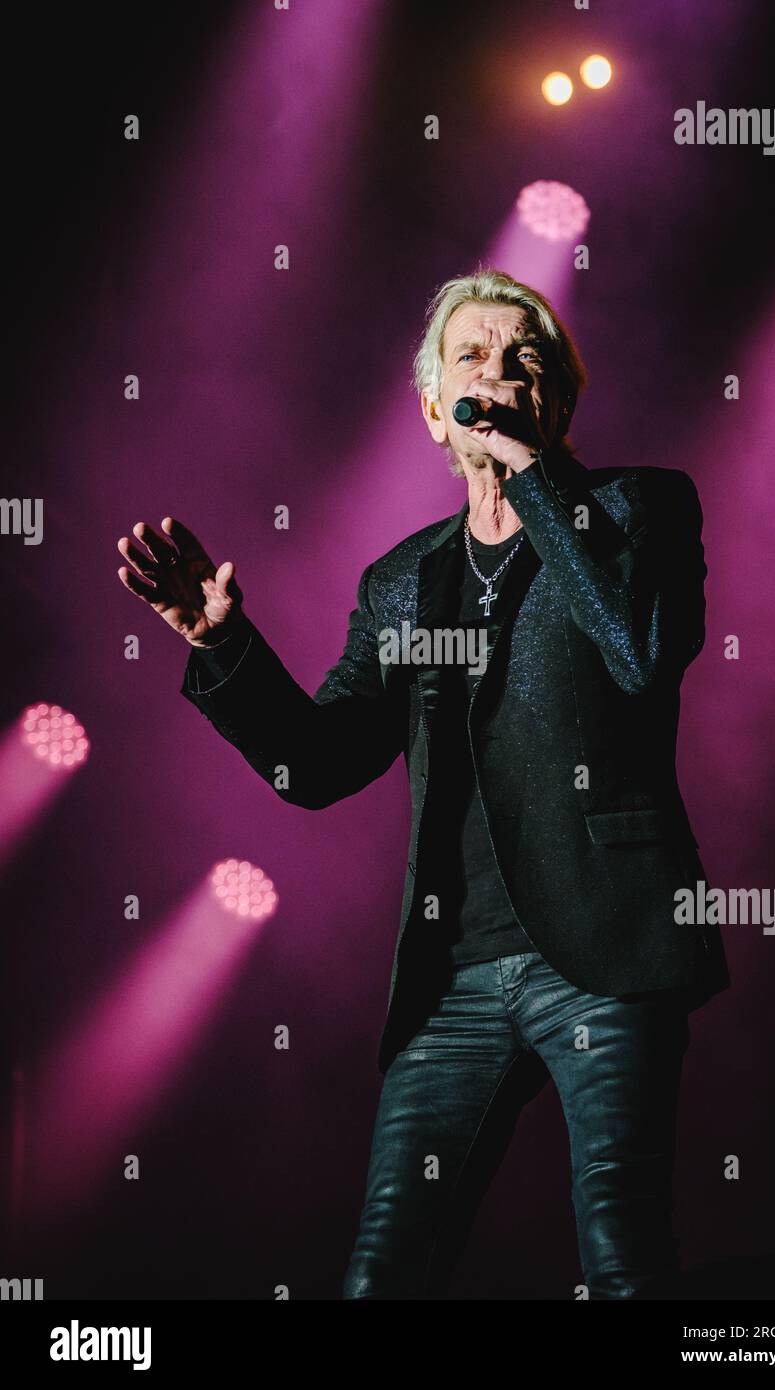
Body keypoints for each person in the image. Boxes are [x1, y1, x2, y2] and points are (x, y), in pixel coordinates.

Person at [117, 268, 730, 1300]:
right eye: (472, 357)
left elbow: (634, 649)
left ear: (558, 398)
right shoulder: (402, 579)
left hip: (607, 950)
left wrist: (533, 477)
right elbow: (313, 765)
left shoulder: (639, 506)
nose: (496, 372)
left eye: (523, 356)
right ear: (431, 407)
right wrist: (225, 646)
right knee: (383, 1274)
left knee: (624, 1257)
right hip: (454, 981)